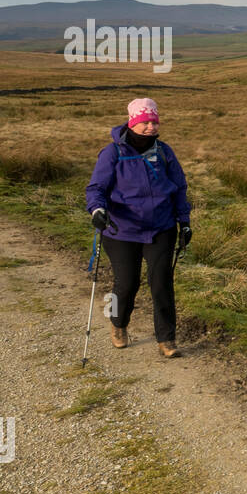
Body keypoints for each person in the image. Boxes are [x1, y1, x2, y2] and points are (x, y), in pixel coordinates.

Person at [85, 97, 192, 357]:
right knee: (127, 283)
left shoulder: (165, 152)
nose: (150, 127)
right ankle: (118, 324)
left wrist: (184, 222)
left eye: (153, 122)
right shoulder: (113, 153)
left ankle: (167, 339)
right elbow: (96, 188)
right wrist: (97, 211)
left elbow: (179, 188)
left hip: (161, 227)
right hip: (122, 230)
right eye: (144, 122)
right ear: (132, 122)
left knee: (161, 283)